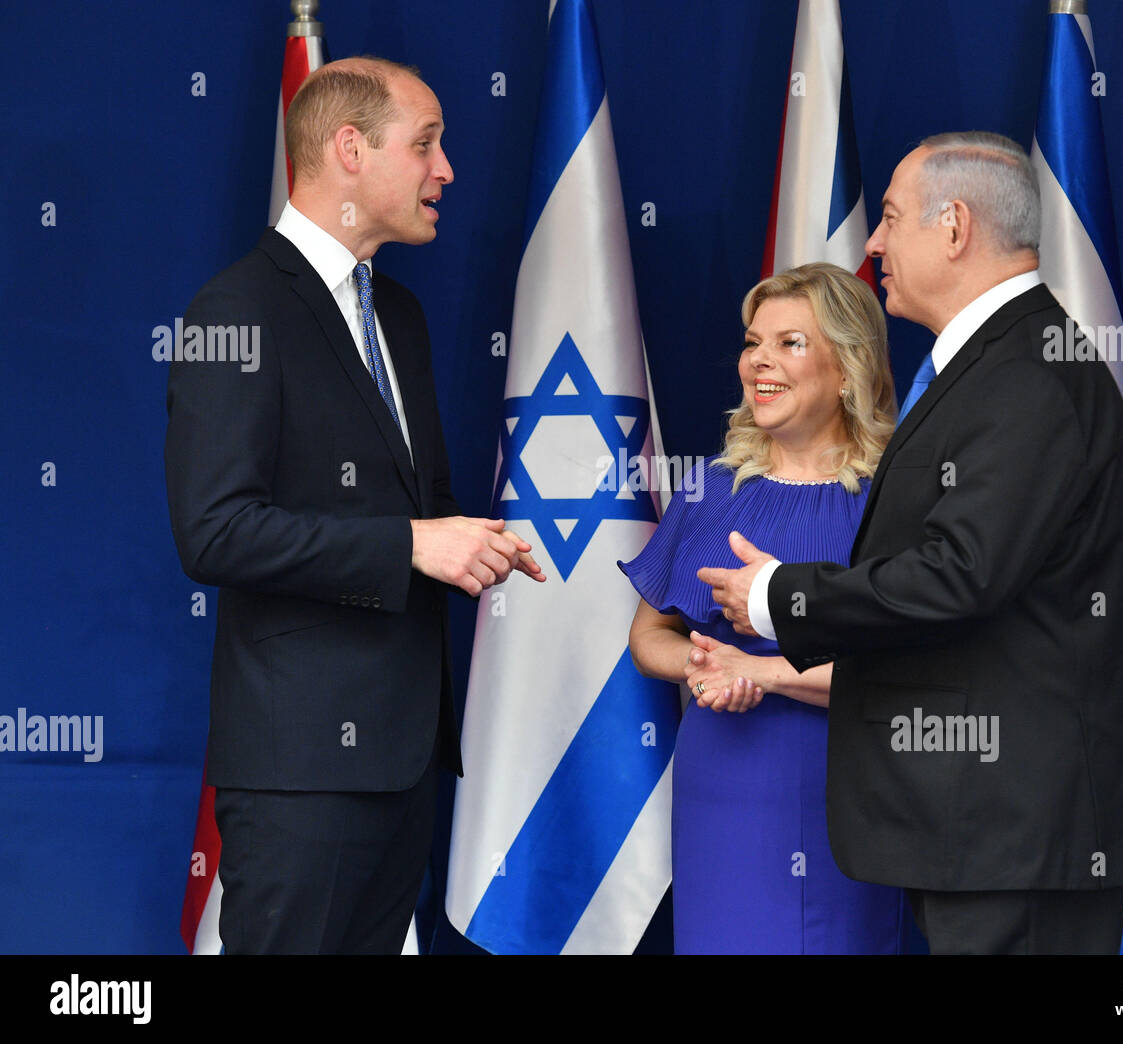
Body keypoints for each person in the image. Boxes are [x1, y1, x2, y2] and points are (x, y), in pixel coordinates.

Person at [699, 132, 1123, 955]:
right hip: (987, 836)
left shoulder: (1024, 374)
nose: (872, 242)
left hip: (1014, 840)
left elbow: (962, 573)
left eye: (889, 218)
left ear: (954, 229)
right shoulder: (996, 364)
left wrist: (780, 597)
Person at [164, 57, 543, 954]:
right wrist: (411, 545)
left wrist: (476, 544)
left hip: (404, 761)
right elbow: (213, 530)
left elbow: (418, 505)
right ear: (347, 149)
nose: (446, 169)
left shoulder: (398, 315)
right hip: (302, 774)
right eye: (426, 145)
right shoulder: (236, 311)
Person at [619, 262, 907, 954]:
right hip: (727, 784)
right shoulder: (713, 487)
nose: (760, 363)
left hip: (856, 788)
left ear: (848, 369)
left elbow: (909, 672)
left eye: (791, 343)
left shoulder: (896, 496)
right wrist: (709, 664)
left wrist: (768, 669)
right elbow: (646, 638)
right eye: (754, 343)